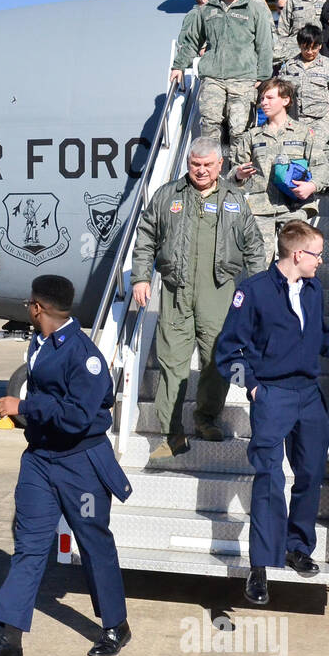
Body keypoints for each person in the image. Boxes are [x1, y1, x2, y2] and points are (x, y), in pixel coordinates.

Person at [0, 273, 134, 656]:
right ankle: (9, 640)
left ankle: (116, 624)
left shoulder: (83, 354)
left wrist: (23, 408)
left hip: (81, 463)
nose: (28, 309)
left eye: (29, 305)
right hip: (40, 460)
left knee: (93, 543)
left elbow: (76, 417)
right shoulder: (40, 342)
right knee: (30, 546)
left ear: (38, 308)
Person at [214, 220, 329, 607]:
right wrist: (252, 386)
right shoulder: (252, 293)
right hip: (272, 396)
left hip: (307, 395)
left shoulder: (314, 289)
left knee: (311, 473)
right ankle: (260, 567)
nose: (321, 261)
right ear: (297, 254)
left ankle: (297, 546)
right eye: (317, 254)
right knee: (269, 479)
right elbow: (226, 352)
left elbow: (317, 335)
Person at [131, 137, 267, 460]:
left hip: (219, 291)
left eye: (208, 165)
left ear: (220, 165)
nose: (201, 170)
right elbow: (146, 235)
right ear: (188, 164)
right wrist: (140, 276)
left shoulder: (234, 199)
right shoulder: (168, 196)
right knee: (171, 363)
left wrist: (259, 291)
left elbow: (254, 247)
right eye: (195, 164)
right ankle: (171, 433)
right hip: (176, 291)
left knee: (216, 360)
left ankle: (206, 418)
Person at [171, 0, 274, 147]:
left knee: (240, 130)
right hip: (213, 77)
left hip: (243, 78)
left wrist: (263, 77)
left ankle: (240, 174)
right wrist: (179, 65)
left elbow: (264, 45)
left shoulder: (255, 10)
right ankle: (212, 172)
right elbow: (192, 40)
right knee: (209, 125)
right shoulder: (206, 10)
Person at [230, 77, 329, 260]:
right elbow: (233, 170)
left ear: (285, 100)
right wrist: (238, 174)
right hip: (260, 208)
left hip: (294, 207)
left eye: (269, 98)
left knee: (295, 259)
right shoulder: (252, 136)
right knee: (258, 262)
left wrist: (312, 185)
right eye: (262, 99)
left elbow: (321, 165)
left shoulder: (304, 132)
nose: (264, 102)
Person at [278, 25, 329, 143]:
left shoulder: (328, 65)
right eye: (305, 48)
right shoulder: (290, 66)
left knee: (316, 155)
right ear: (299, 45)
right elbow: (279, 90)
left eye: (314, 47)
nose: (310, 52)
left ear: (320, 45)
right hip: (293, 121)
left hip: (319, 121)